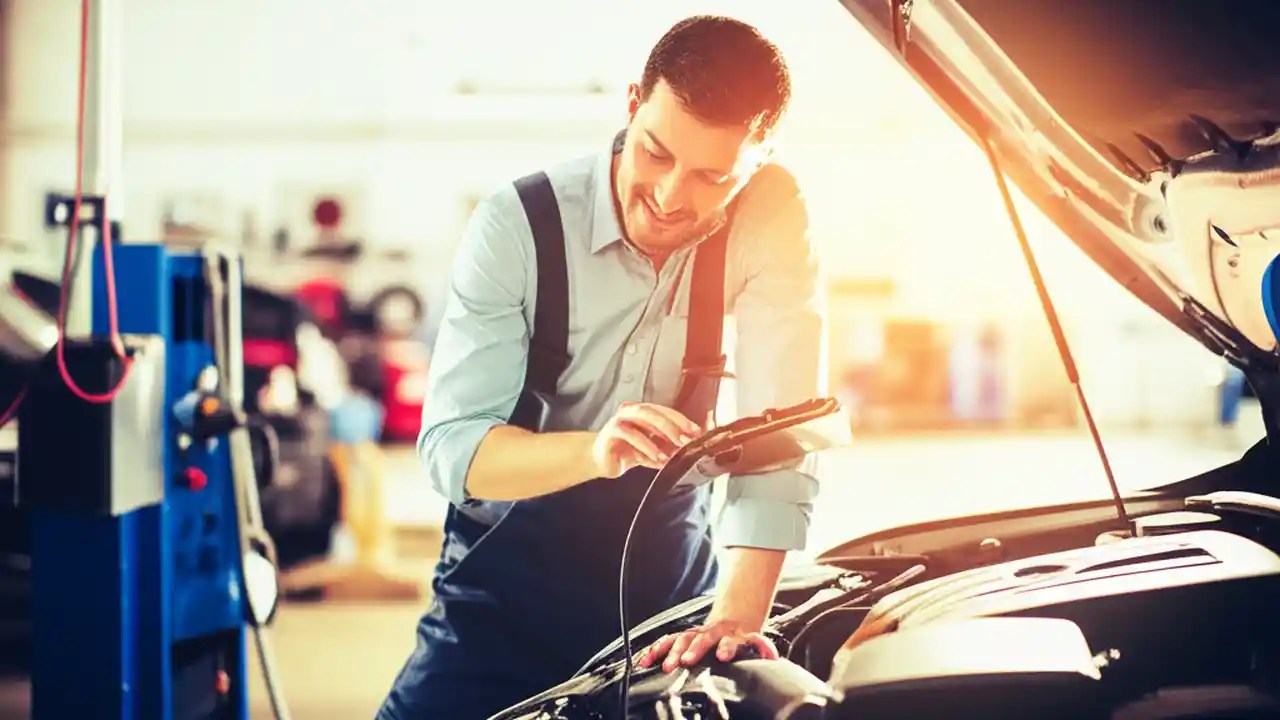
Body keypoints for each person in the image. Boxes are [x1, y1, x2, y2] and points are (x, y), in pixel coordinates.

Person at [376, 15, 824, 719]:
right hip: (498, 596)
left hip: (667, 598)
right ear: (631, 104)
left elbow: (781, 430)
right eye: (655, 153)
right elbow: (451, 450)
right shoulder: (516, 224)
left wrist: (737, 618)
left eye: (713, 175)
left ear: (760, 157)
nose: (673, 197)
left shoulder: (768, 213)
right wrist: (596, 450)